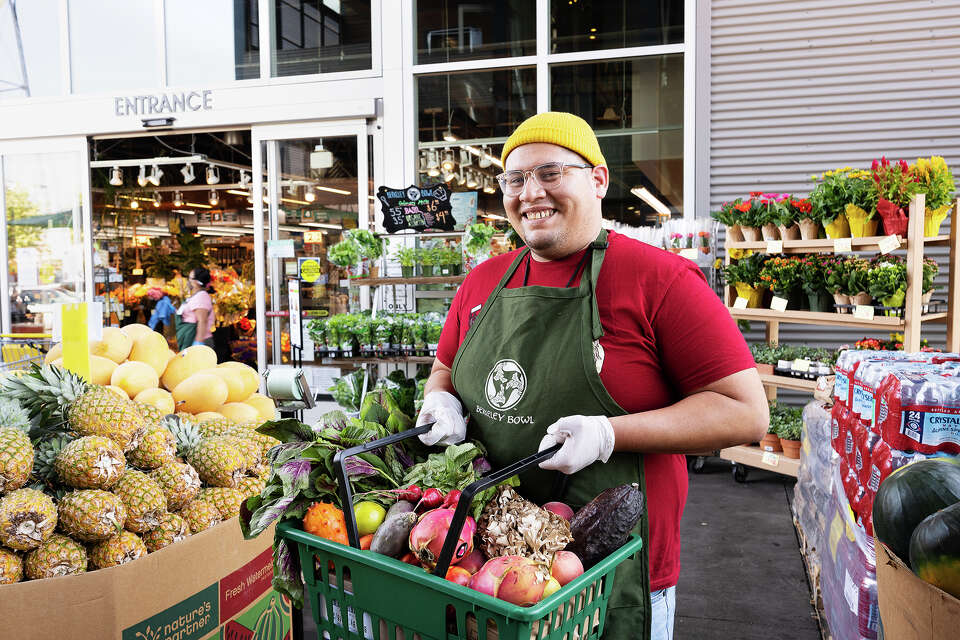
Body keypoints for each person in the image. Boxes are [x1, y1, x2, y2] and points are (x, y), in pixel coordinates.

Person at [416, 112, 768, 640]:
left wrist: (609, 433)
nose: (530, 193)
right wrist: (440, 400)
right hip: (489, 573)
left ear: (599, 180)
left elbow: (745, 412)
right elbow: (445, 367)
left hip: (611, 576)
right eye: (515, 179)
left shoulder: (661, 280)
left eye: (550, 173)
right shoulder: (482, 281)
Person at [176, 267, 215, 350]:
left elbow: (202, 321)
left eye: (190, 278)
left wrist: (198, 342)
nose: (188, 281)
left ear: (197, 282)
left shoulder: (201, 297)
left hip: (199, 340)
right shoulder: (196, 296)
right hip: (190, 338)